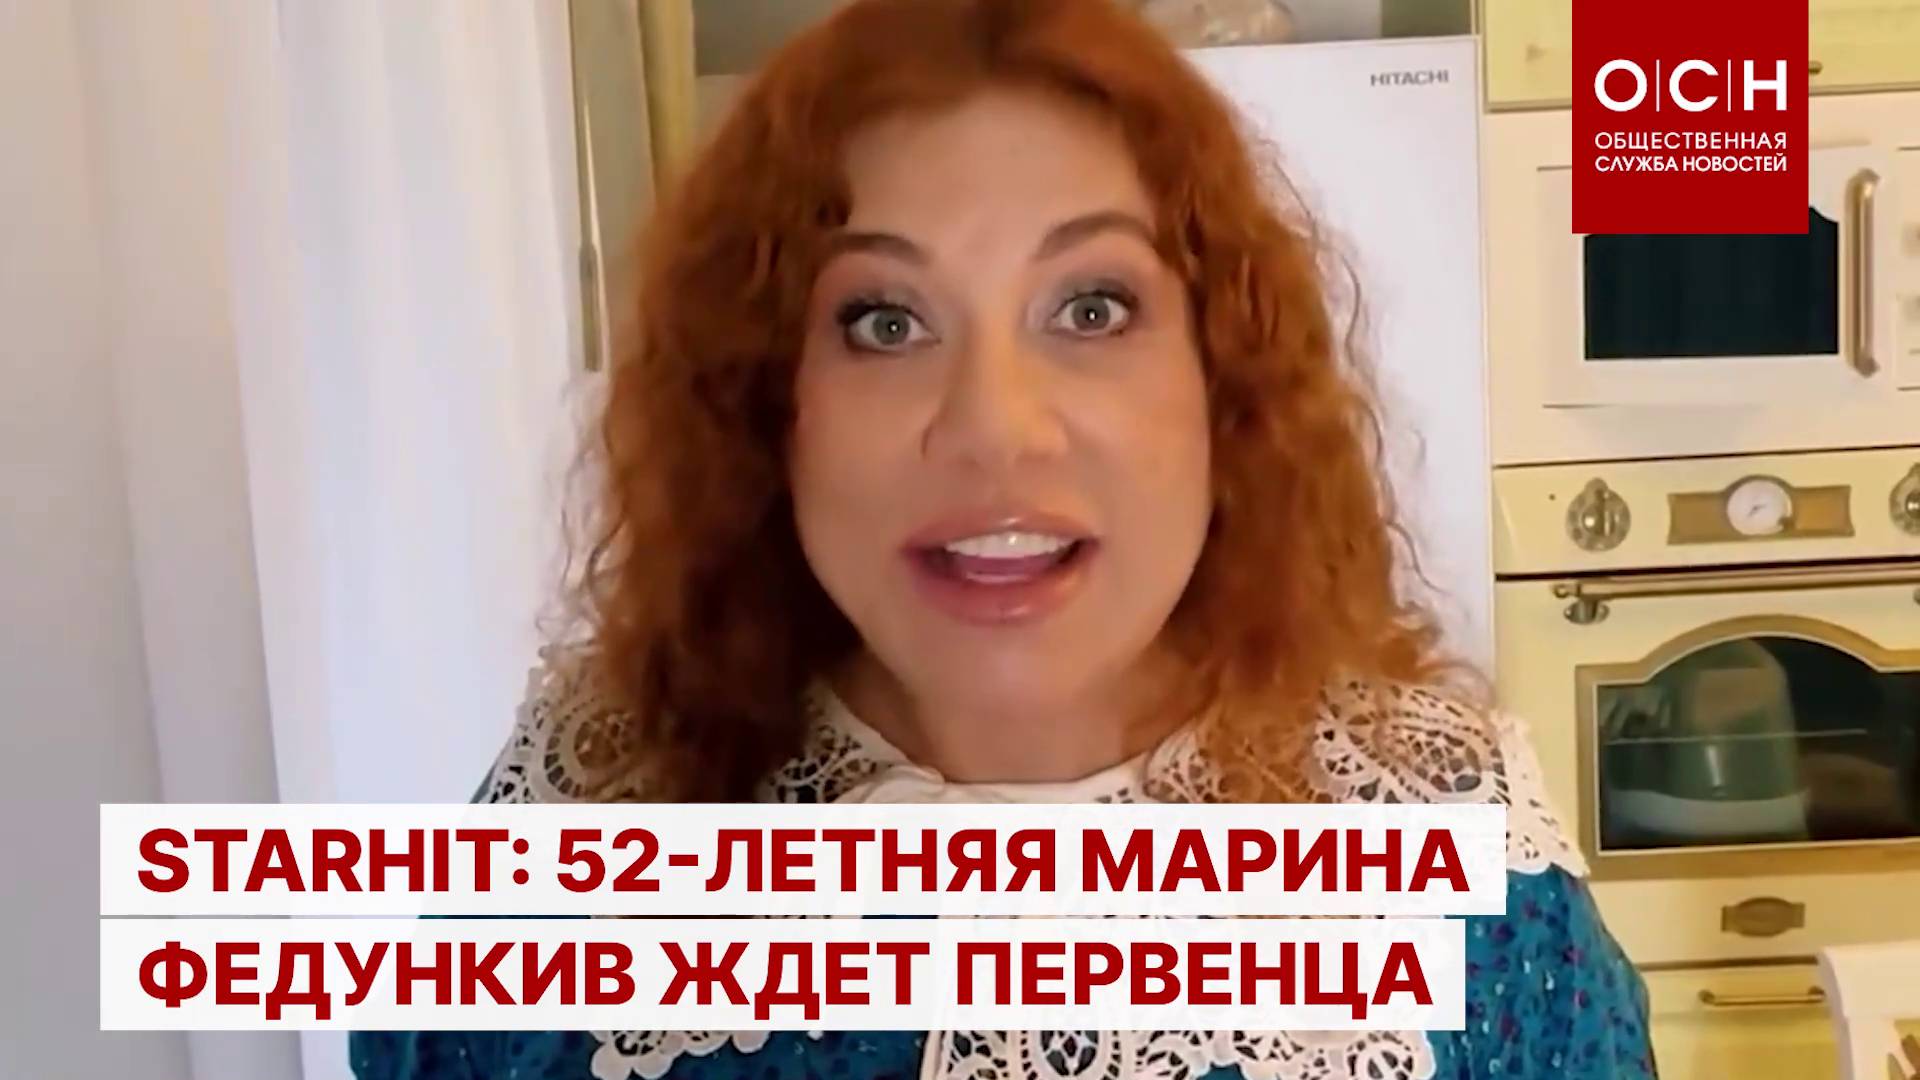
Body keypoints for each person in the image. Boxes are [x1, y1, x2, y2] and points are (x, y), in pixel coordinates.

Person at [352, 0, 1655, 1076]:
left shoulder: (1470, 867)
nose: (995, 431)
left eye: (1090, 308)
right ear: (764, 406)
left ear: (1225, 386)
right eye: (883, 322)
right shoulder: (577, 826)